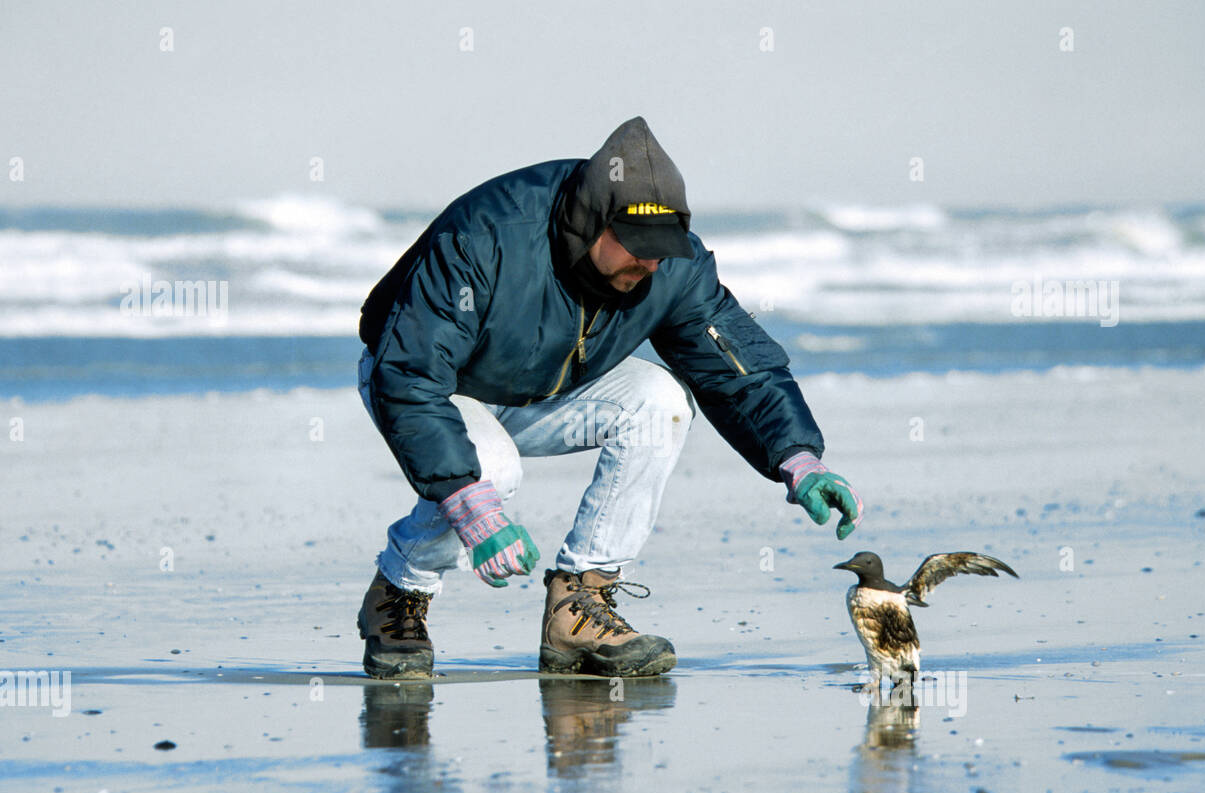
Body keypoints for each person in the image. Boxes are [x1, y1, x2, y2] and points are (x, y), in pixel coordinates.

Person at [355, 117, 862, 680]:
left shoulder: (673, 268)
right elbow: (409, 377)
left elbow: (737, 370)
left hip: (541, 391)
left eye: (661, 248)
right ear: (591, 220)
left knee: (660, 399)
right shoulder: (487, 237)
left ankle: (579, 605)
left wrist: (798, 458)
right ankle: (400, 595)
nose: (648, 263)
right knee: (490, 470)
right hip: (426, 384)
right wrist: (473, 509)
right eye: (636, 246)